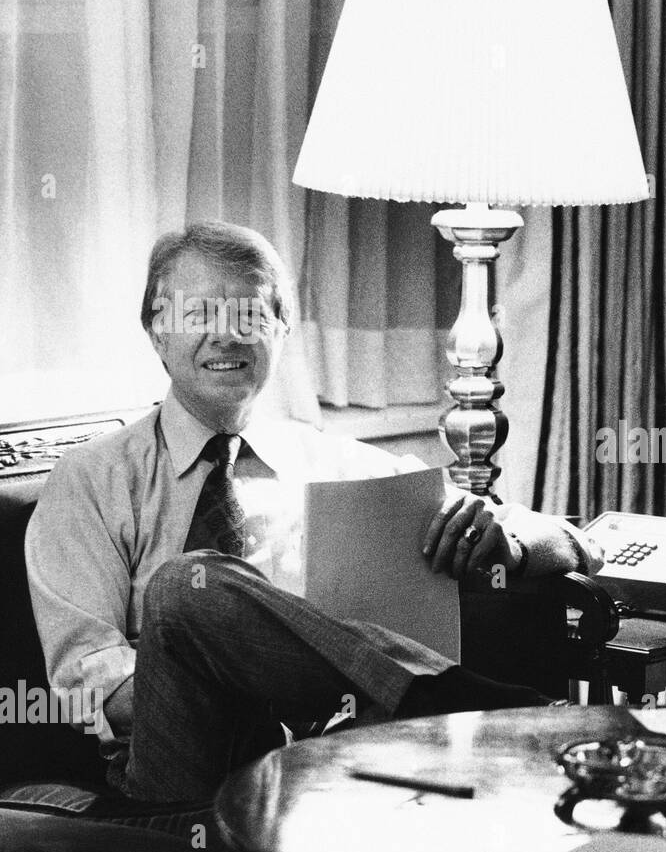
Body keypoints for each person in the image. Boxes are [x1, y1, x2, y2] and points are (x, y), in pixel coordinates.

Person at [26, 220, 603, 803]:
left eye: (250, 315)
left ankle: (420, 707)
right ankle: (457, 703)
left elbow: (578, 544)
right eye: (198, 315)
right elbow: (87, 687)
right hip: (180, 768)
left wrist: (510, 544)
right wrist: (230, 663)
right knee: (185, 588)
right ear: (156, 332)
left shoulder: (330, 463)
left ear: (281, 330)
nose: (226, 336)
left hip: (320, 760)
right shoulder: (91, 479)